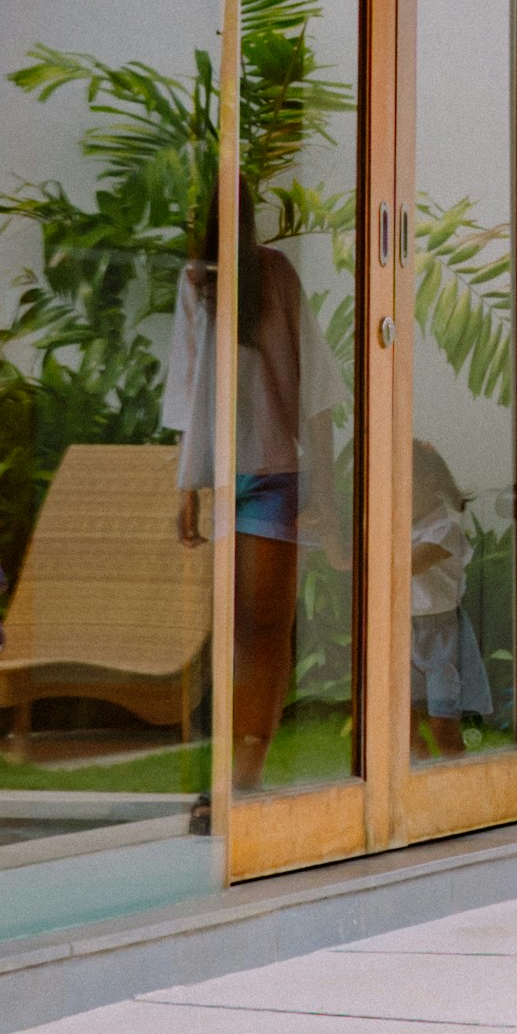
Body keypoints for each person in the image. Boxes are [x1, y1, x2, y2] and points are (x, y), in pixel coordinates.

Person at [167, 181, 348, 793]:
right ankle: (229, 762)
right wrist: (187, 485)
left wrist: (324, 496)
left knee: (265, 626)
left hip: (274, 477)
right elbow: (188, 389)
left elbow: (314, 388)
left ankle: (249, 767)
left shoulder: (274, 274)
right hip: (220, 479)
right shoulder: (195, 282)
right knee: (236, 628)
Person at [409, 437, 495, 758]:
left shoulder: (445, 530)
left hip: (441, 635)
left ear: (429, 482)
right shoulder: (397, 527)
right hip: (402, 632)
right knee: (402, 722)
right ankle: (418, 780)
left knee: (442, 724)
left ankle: (457, 782)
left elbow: (406, 565)